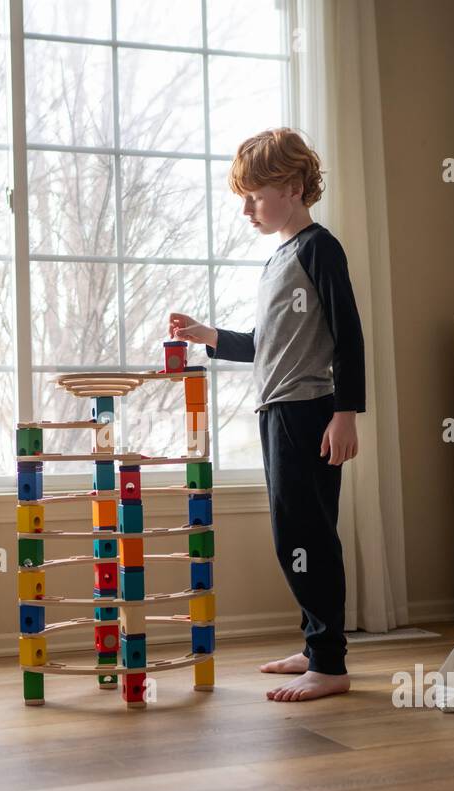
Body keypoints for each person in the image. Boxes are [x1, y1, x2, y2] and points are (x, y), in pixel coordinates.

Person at [168, 127, 365, 702]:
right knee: (297, 534)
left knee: (306, 536)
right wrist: (210, 336)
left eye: (255, 196)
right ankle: (315, 645)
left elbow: (348, 336)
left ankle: (330, 664)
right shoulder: (281, 258)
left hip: (309, 412)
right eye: (243, 199)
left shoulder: (318, 248)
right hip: (278, 412)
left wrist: (347, 413)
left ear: (295, 187)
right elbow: (265, 342)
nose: (248, 210)